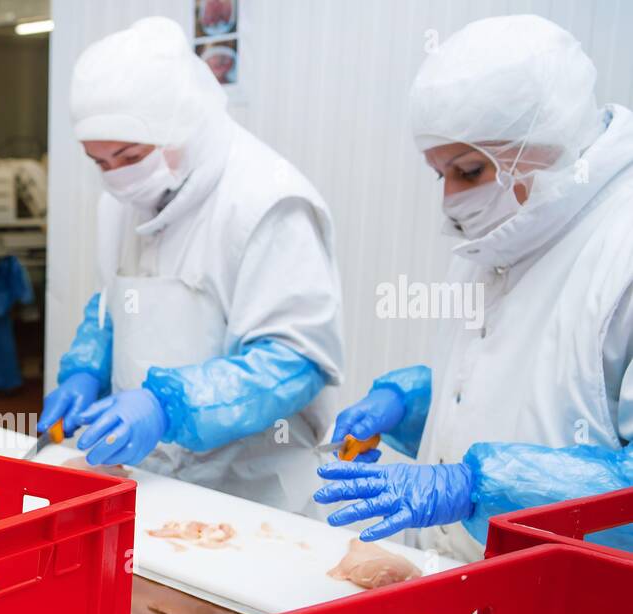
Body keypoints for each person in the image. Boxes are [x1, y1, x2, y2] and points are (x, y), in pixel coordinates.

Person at [316, 15, 633, 561]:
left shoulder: (619, 245)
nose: (450, 202)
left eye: (467, 171)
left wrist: (479, 486)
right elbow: (513, 392)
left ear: (547, 140)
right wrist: (414, 404)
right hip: (461, 580)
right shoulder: (508, 223)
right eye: (441, 174)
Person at [37, 16, 343, 512]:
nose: (116, 178)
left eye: (129, 155)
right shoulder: (122, 198)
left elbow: (294, 362)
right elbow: (113, 304)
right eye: (100, 162)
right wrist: (86, 368)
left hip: (251, 492)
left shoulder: (267, 200)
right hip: (147, 478)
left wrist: (170, 405)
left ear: (181, 128)